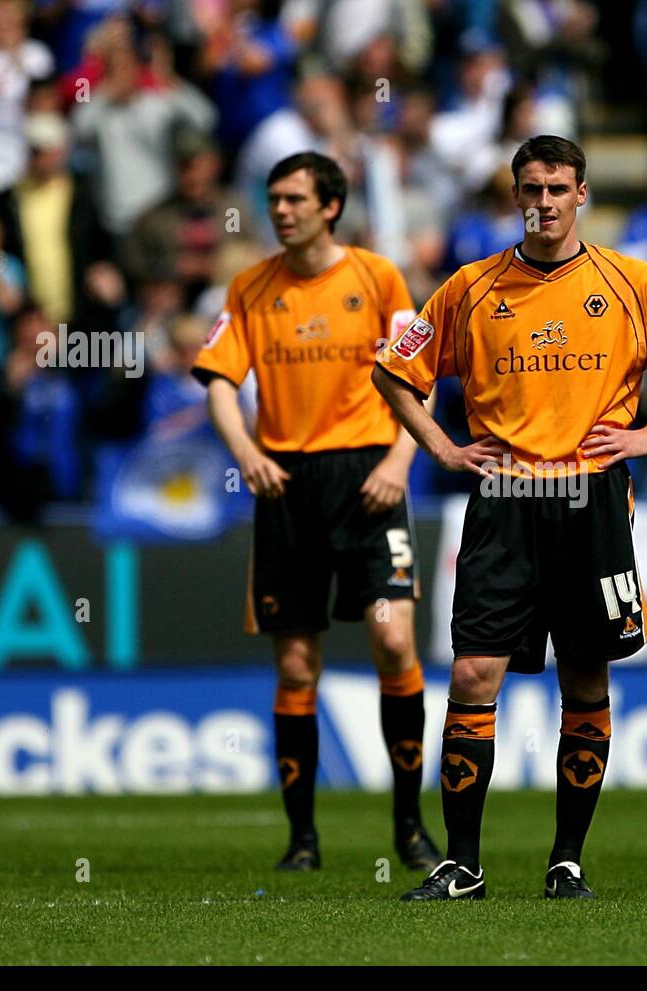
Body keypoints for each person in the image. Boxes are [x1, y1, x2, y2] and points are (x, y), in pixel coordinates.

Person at [373, 135, 647, 900]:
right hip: (503, 498)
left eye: (558, 188)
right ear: (515, 195)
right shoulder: (471, 288)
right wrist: (442, 445)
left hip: (593, 497)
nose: (544, 202)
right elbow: (393, 372)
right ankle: (463, 865)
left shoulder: (630, 281)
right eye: (531, 188)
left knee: (585, 674)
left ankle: (566, 859)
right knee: (476, 671)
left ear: (582, 196)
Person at [192, 151, 441, 873]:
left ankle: (410, 826)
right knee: (297, 662)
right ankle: (303, 838)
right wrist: (245, 452)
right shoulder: (250, 286)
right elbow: (216, 381)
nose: (282, 210)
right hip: (286, 484)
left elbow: (412, 376)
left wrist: (401, 459)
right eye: (274, 198)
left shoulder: (377, 276)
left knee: (394, 640)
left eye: (296, 198)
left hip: (370, 474)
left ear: (330, 205)